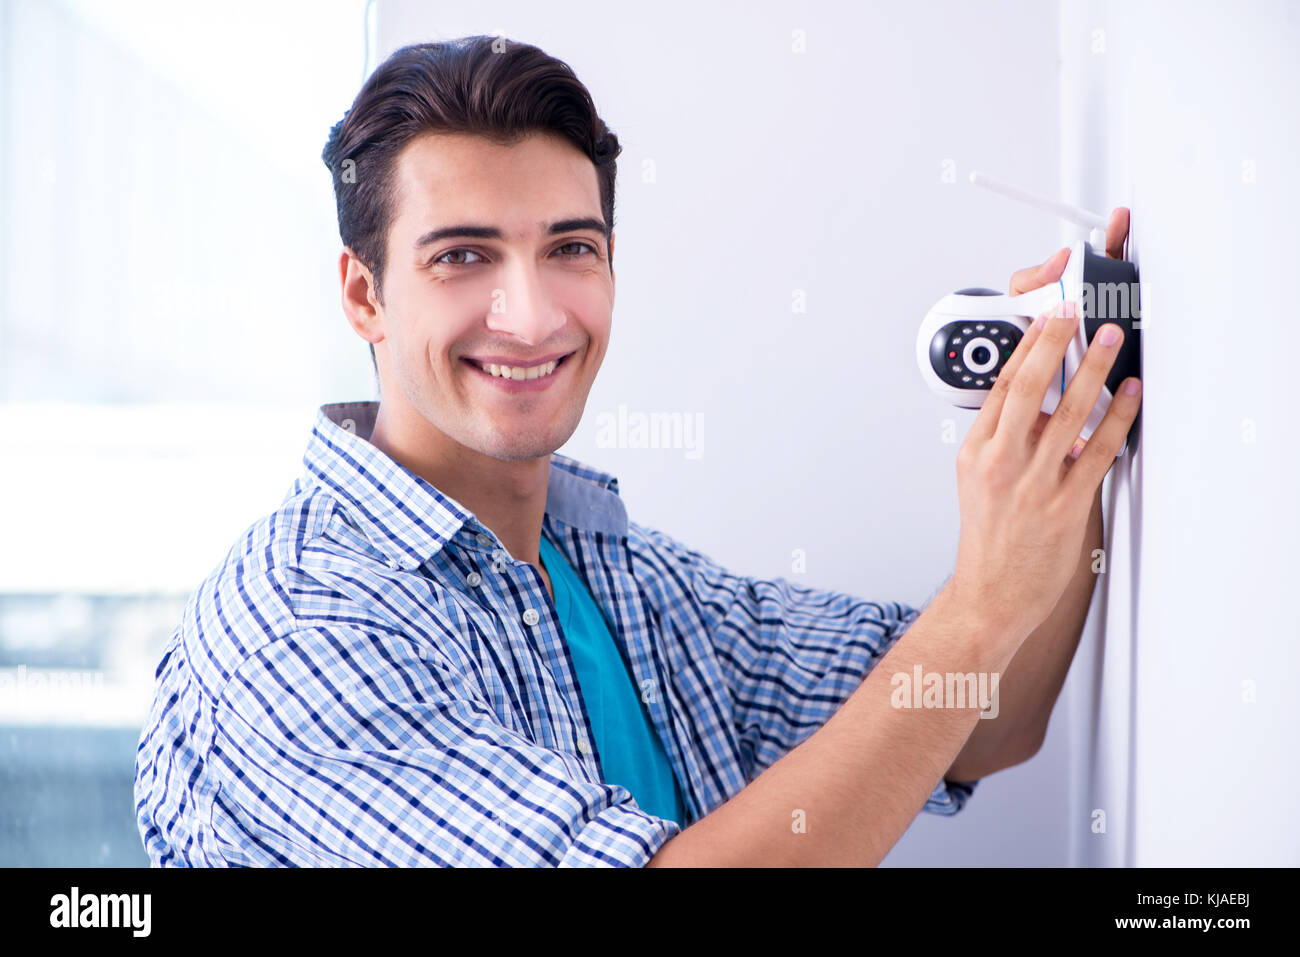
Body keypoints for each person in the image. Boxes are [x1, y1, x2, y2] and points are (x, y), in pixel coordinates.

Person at [133, 35, 1140, 867]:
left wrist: (1059, 427)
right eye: (462, 256)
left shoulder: (631, 586)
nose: (528, 318)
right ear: (363, 295)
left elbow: (981, 722)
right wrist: (976, 610)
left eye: (570, 248)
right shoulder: (300, 624)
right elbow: (966, 655)